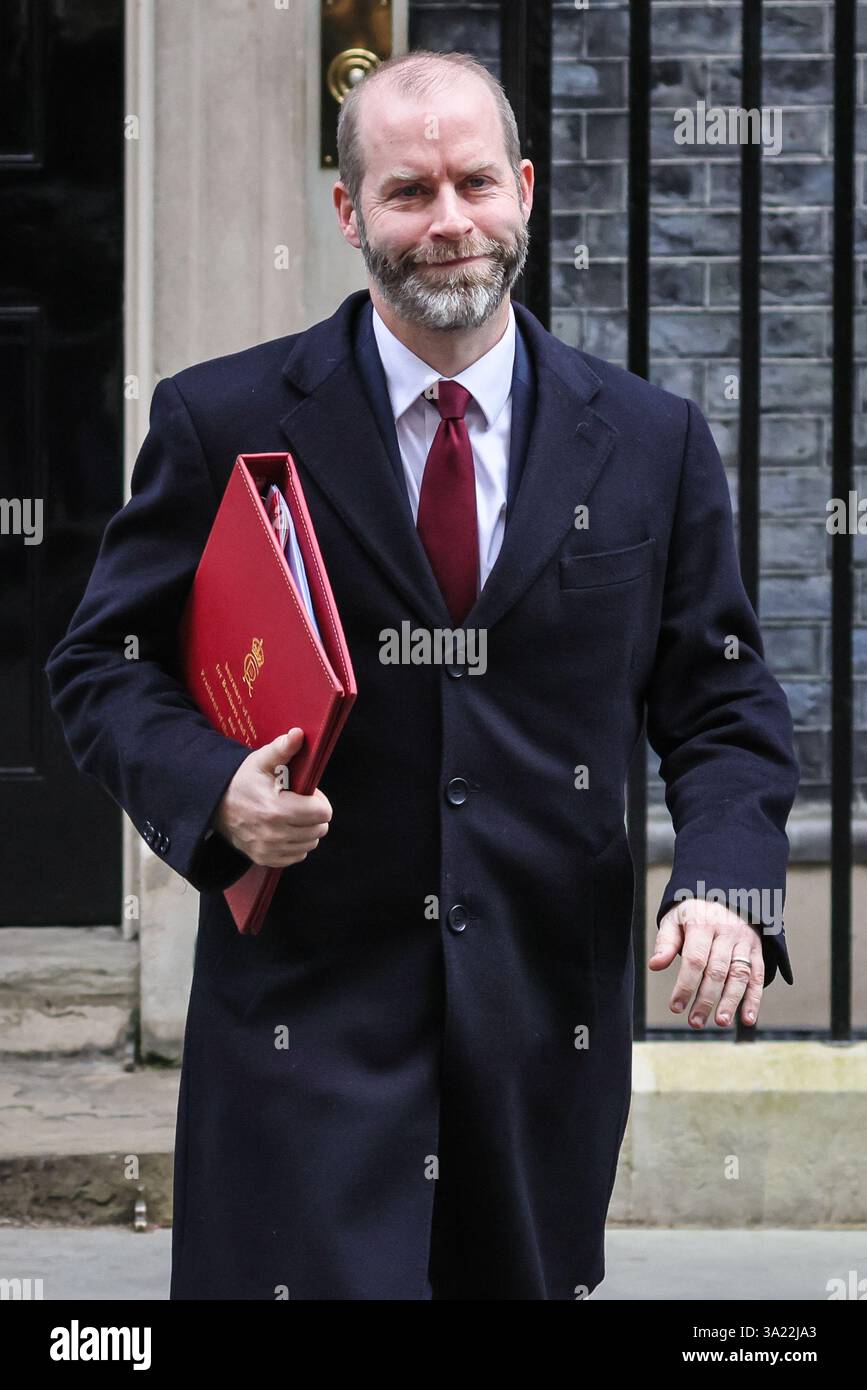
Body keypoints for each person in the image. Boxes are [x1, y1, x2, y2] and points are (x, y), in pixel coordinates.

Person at [44, 49, 799, 1300]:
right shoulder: (218, 417)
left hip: (539, 1032)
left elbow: (720, 698)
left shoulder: (652, 443)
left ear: (526, 190)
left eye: (474, 183)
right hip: (304, 1027)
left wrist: (723, 878)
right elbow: (104, 661)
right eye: (408, 192)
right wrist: (217, 788)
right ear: (348, 212)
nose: (449, 222)